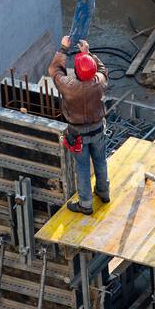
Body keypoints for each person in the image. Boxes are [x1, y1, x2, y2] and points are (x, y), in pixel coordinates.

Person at [48, 36, 110, 214]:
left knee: (82, 167)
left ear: (75, 70)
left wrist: (63, 49)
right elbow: (103, 70)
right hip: (98, 129)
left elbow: (54, 70)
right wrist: (87, 53)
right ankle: (104, 192)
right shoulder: (99, 82)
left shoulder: (68, 85)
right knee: (100, 161)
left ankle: (86, 203)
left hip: (78, 134)